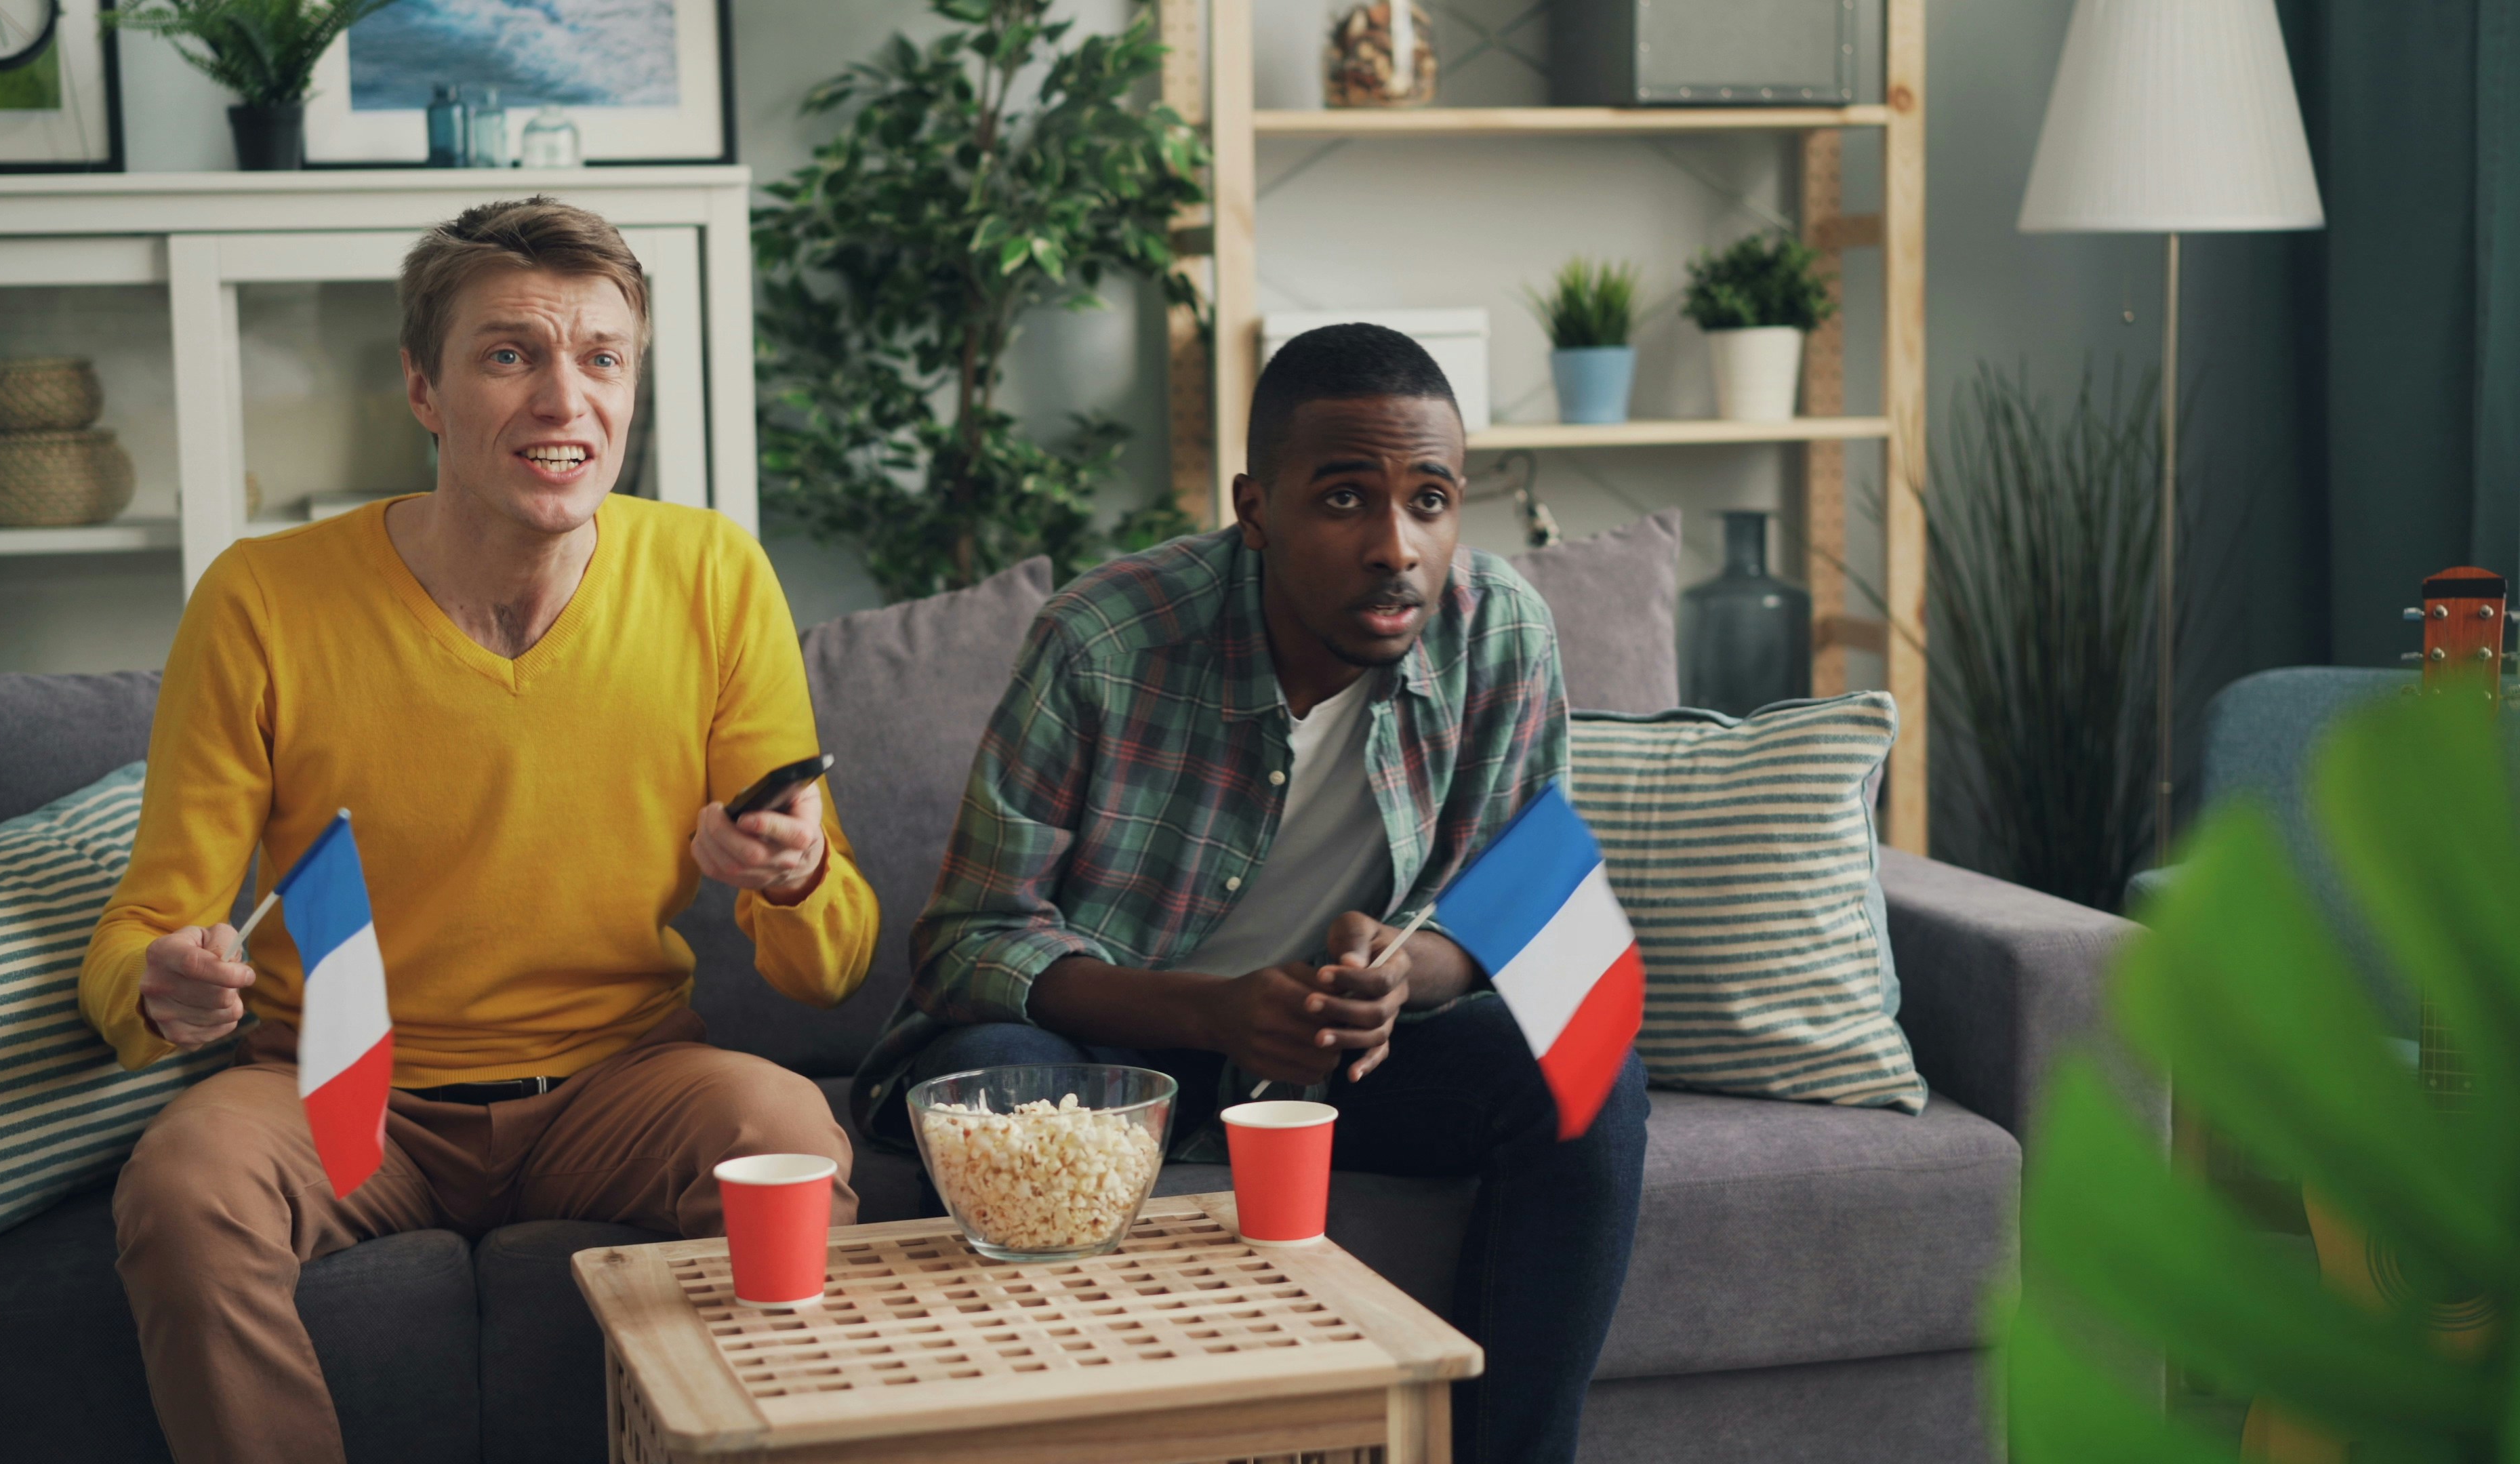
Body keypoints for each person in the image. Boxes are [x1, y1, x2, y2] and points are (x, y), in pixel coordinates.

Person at [81, 197, 881, 1464]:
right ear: (424, 387)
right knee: (181, 1184)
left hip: (618, 1080)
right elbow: (140, 932)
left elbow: (829, 966)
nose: (565, 398)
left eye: (602, 358)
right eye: (511, 354)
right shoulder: (262, 599)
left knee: (784, 1130)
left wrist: (793, 877)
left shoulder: (716, 574)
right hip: (338, 1093)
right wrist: (162, 986)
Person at [851, 323, 1648, 1464]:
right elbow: (968, 944)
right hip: (1118, 1059)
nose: (1396, 546)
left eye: (1430, 501)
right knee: (990, 1091)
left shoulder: (1501, 627)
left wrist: (1399, 977)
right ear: (1256, 507)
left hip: (1343, 1061)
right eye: (1342, 501)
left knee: (1587, 1072)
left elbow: (1528, 896)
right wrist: (1210, 1013)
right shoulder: (1106, 640)